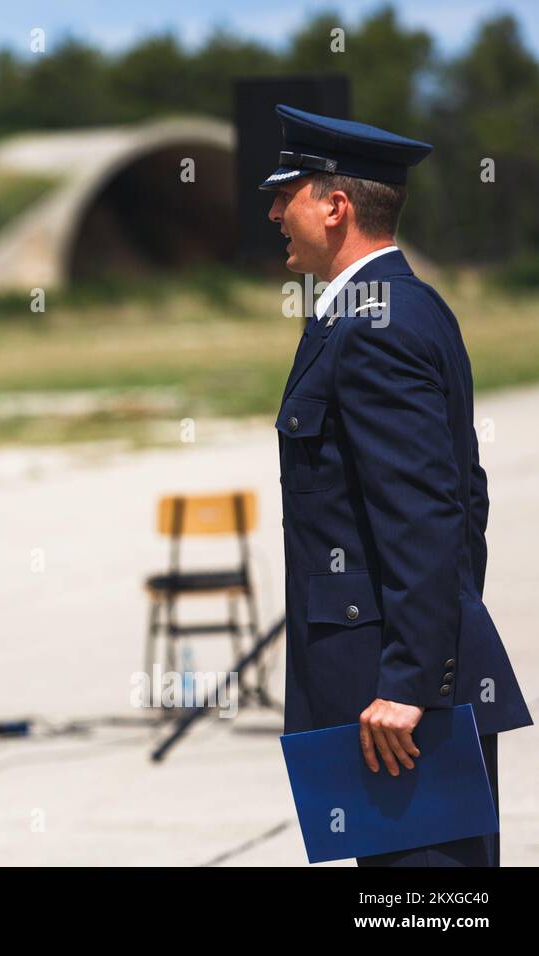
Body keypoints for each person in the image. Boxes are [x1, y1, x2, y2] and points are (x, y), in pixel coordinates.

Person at [261, 105, 532, 866]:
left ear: (336, 206)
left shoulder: (375, 325)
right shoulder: (381, 309)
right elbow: (462, 500)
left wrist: (414, 679)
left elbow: (426, 514)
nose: (276, 211)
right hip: (395, 684)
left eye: (289, 193)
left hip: (399, 707)